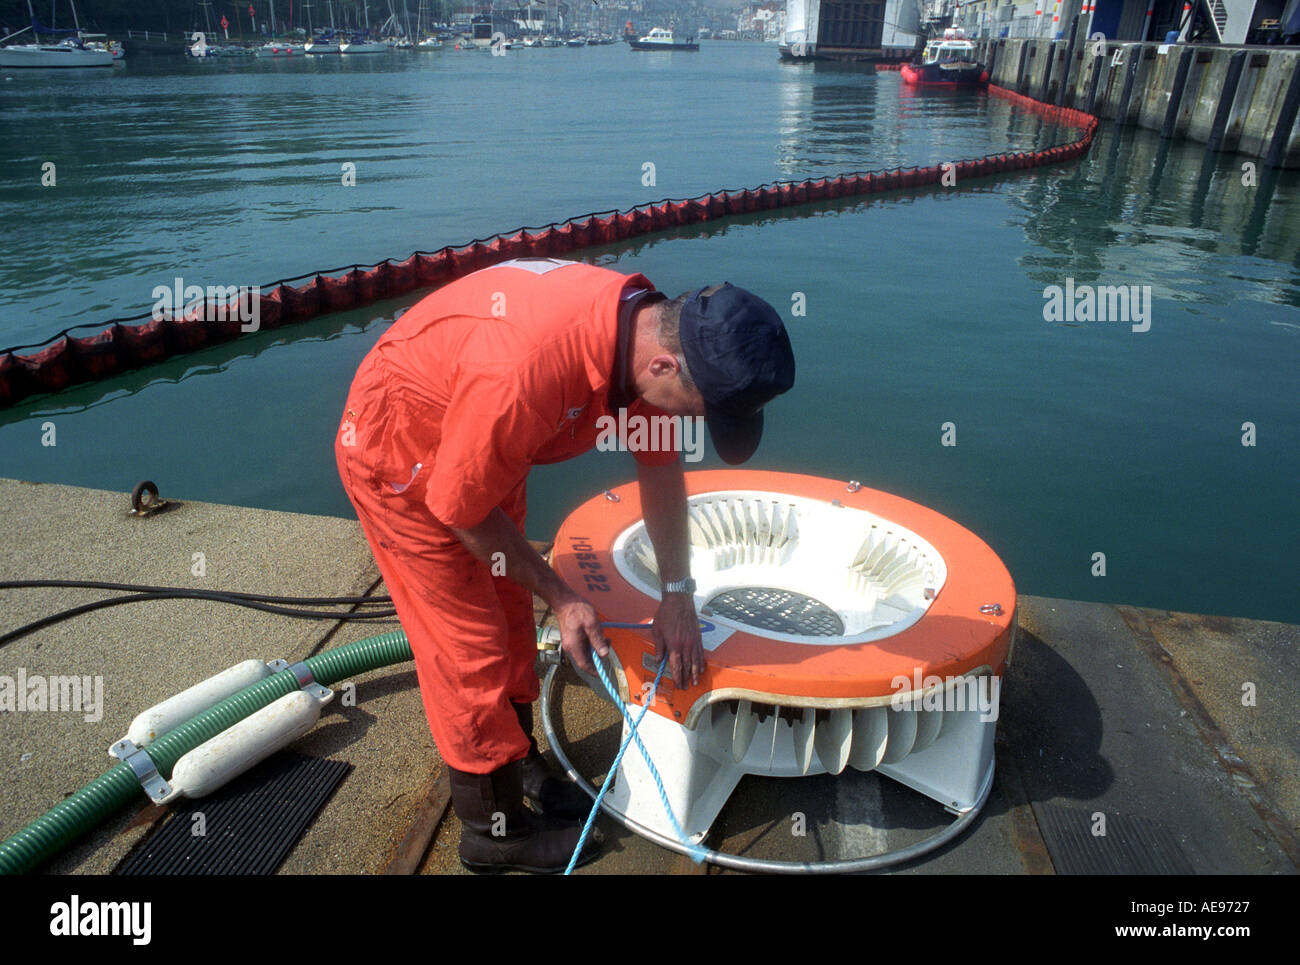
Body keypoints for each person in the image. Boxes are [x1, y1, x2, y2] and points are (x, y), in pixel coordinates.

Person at [334, 257, 795, 872]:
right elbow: (461, 511)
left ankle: (517, 757)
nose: (694, 425)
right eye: (699, 410)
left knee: (508, 608)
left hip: (485, 442)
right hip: (406, 448)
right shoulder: (526, 372)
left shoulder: (647, 333)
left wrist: (678, 592)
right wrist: (563, 595)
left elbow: (659, 468)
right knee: (468, 645)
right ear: (665, 366)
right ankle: (492, 833)